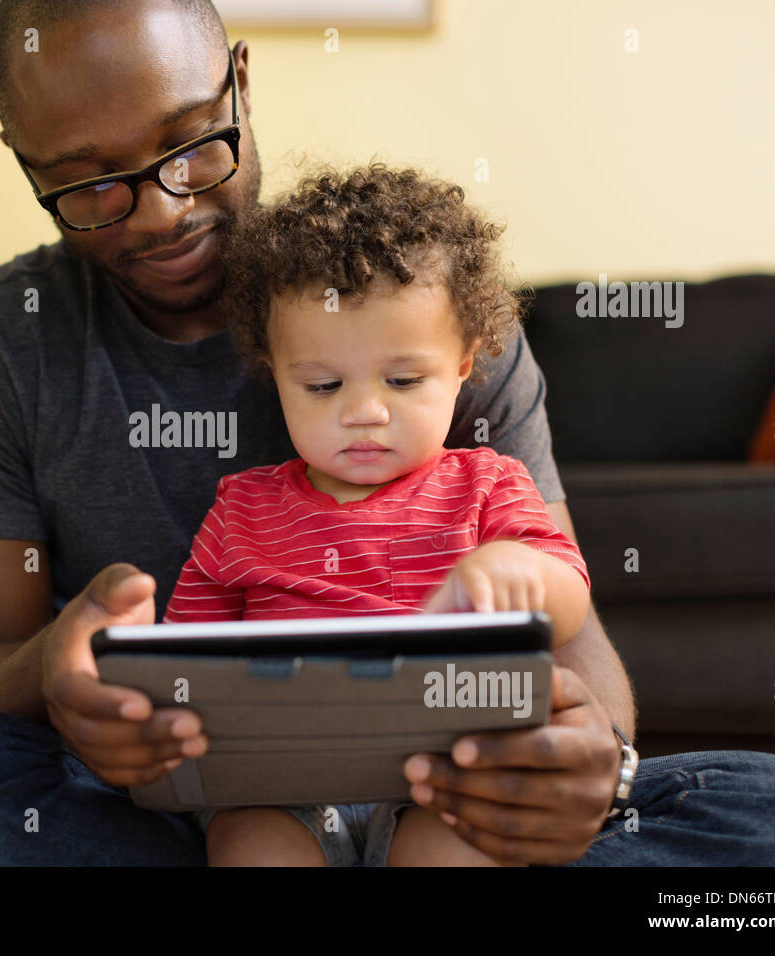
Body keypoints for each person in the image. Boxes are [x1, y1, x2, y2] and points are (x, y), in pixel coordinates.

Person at [0, 0, 775, 866]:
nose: (162, 211)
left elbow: (578, 642)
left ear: (241, 83)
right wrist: (56, 668)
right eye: (89, 182)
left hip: (450, 800)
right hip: (204, 812)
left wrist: (592, 770)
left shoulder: (420, 307)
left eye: (191, 143)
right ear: (21, 158)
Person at [163, 163, 593, 865]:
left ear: (466, 363)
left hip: (450, 774)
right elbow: (184, 662)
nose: (364, 412)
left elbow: (570, 600)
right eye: (323, 384)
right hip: (283, 786)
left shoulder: (488, 485)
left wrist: (522, 571)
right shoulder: (242, 508)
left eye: (403, 379)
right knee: (249, 844)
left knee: (459, 846)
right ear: (275, 371)